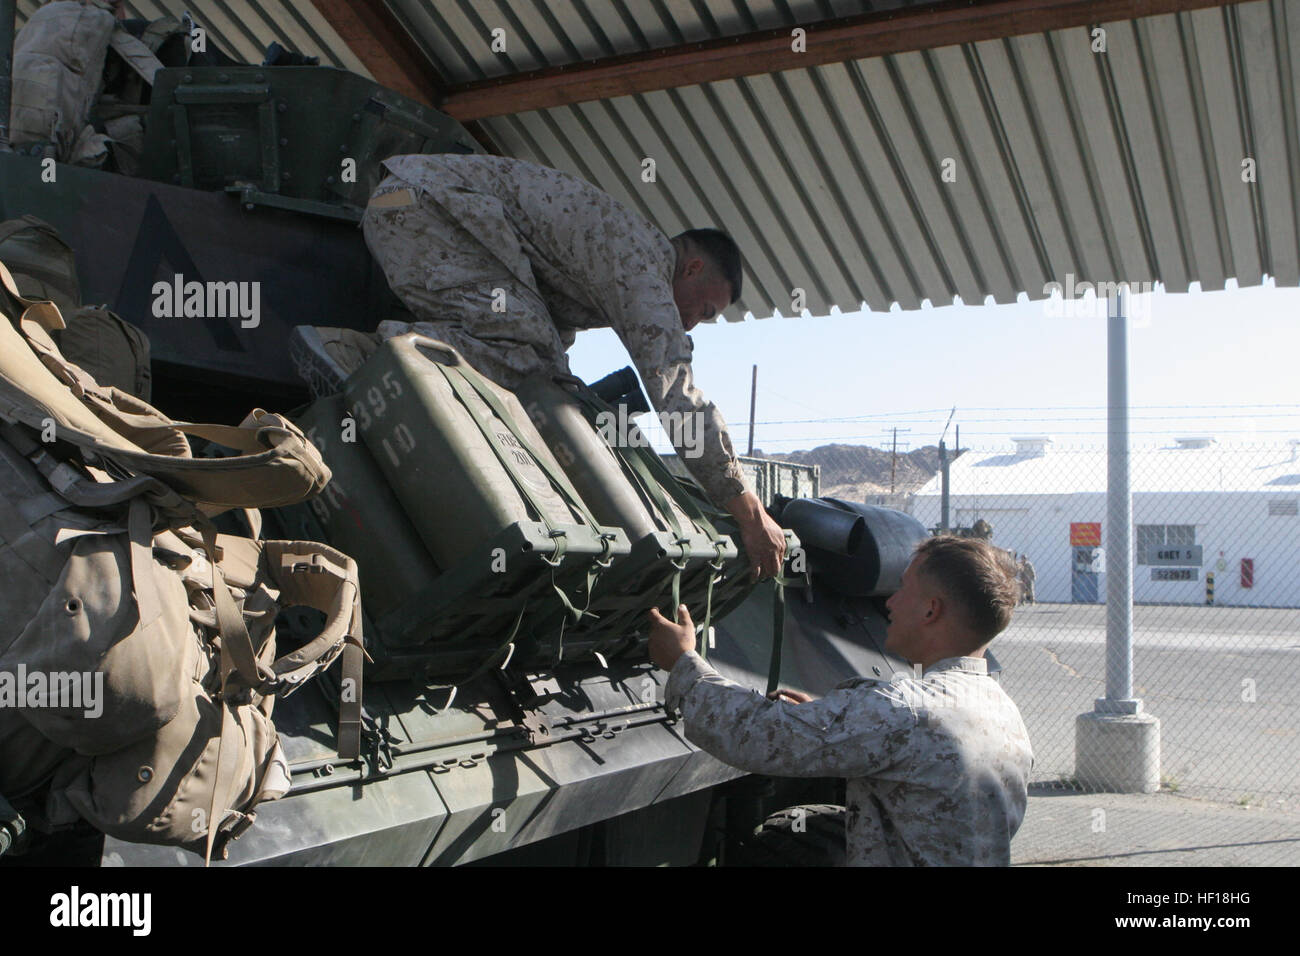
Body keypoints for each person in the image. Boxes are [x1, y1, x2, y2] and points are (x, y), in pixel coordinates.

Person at [290, 153, 785, 578]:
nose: (694, 324)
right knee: (528, 355)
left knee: (539, 359)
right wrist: (746, 509)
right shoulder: (643, 266)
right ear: (692, 268)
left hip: (408, 203)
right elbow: (675, 392)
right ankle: (358, 355)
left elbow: (549, 322)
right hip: (419, 206)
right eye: (704, 309)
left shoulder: (624, 254)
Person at [647, 535, 1034, 865]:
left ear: (932, 609)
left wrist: (683, 664)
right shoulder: (1002, 712)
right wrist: (827, 718)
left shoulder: (905, 711)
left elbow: (760, 735)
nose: (890, 603)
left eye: (902, 589)